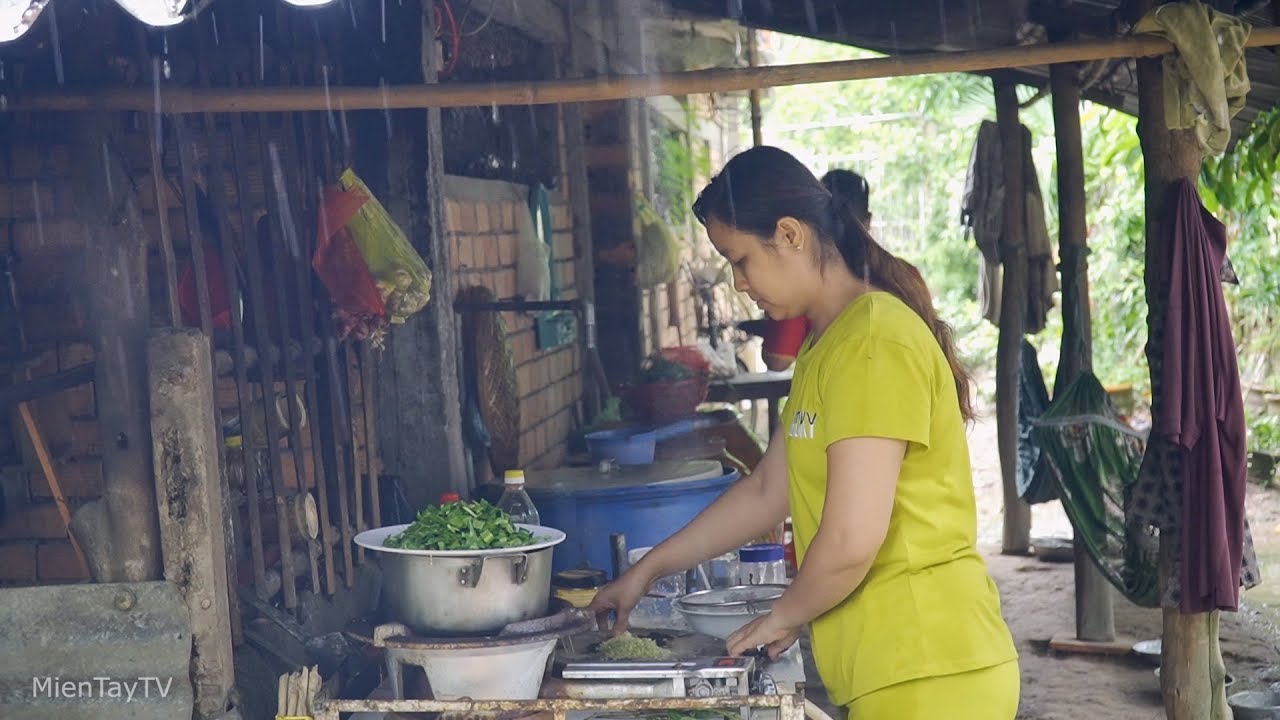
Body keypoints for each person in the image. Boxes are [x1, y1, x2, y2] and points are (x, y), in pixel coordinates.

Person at [589, 146, 1019, 719]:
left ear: (790, 234)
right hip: (890, 668)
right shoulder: (826, 345)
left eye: (741, 260)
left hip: (931, 663)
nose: (740, 284)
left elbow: (850, 540)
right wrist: (646, 572)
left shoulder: (874, 341)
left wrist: (786, 613)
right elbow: (769, 490)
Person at [751, 168, 872, 371]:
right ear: (867, 221)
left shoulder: (810, 283)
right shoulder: (904, 275)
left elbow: (778, 359)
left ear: (817, 221)